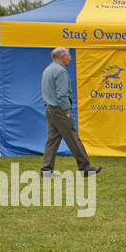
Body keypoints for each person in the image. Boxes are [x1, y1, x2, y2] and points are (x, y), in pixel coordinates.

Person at [40, 47, 100, 176]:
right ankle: (85, 168)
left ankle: (46, 170)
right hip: (60, 110)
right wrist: (66, 110)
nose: (70, 58)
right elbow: (62, 93)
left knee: (52, 141)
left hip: (50, 109)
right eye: (68, 55)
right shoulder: (60, 71)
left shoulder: (48, 70)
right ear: (61, 57)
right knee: (73, 139)